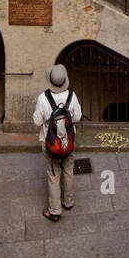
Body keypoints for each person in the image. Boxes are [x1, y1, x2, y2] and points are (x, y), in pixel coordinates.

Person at [33, 64, 81, 222]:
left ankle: (54, 210)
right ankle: (68, 201)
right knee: (68, 170)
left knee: (53, 175)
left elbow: (37, 121)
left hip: (51, 144)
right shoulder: (71, 96)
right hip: (69, 143)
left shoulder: (43, 98)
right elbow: (77, 117)